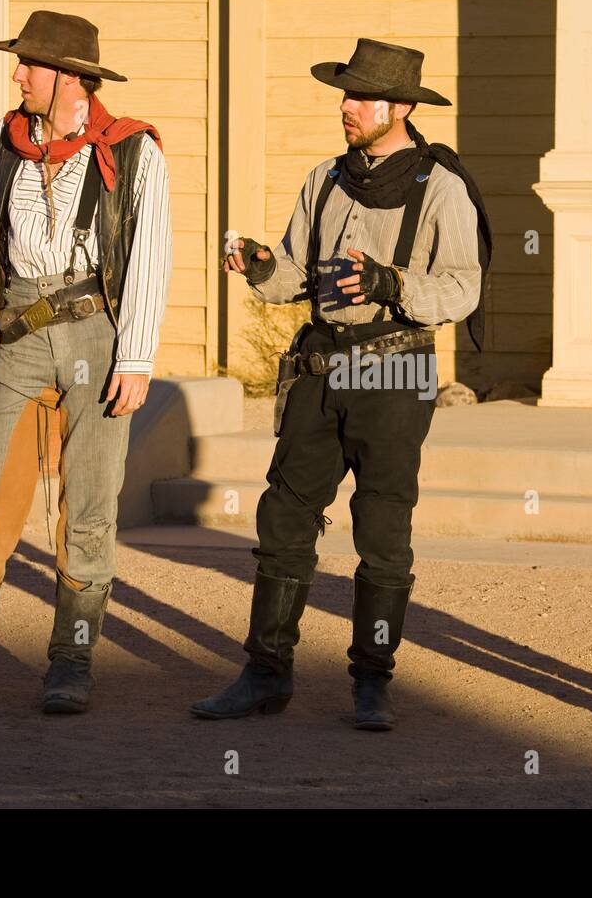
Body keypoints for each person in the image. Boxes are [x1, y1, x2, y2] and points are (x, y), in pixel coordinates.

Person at [191, 38, 488, 730]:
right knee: (283, 518)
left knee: (382, 528)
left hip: (397, 367)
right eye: (344, 95)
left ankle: (372, 682)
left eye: (360, 97)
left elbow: (464, 288)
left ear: (402, 107)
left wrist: (389, 281)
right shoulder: (324, 178)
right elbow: (297, 275)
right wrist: (263, 264)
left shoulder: (442, 187)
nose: (347, 108)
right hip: (320, 365)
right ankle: (266, 672)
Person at [0, 10, 172, 714]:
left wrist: (136, 355)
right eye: (19, 63)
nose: (17, 75)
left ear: (71, 78)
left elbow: (150, 260)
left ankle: (71, 665)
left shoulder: (133, 150)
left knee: (88, 512)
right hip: (16, 334)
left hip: (95, 337)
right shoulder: (6, 140)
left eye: (30, 65)